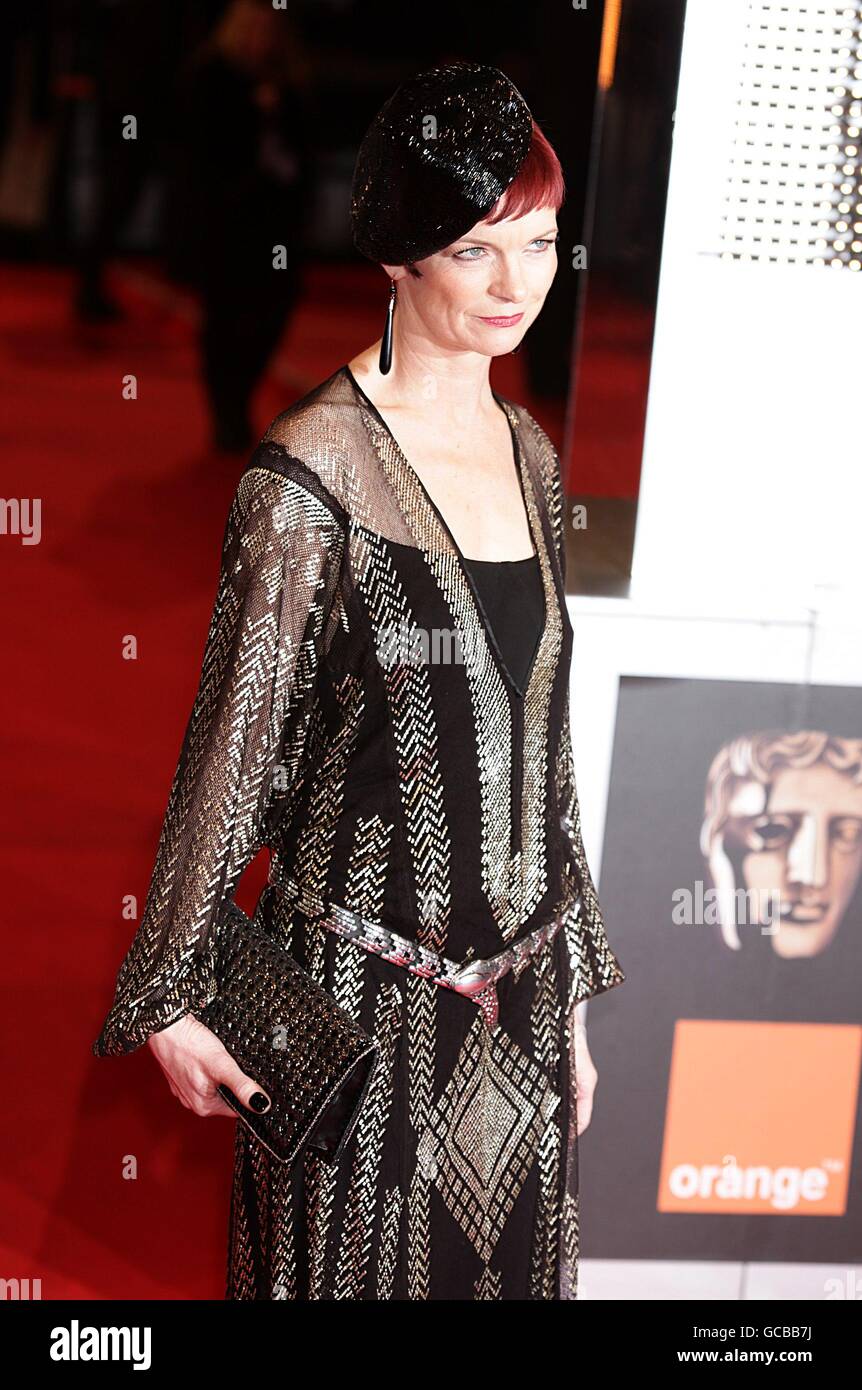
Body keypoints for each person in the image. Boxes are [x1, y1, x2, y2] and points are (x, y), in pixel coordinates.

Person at [92, 61, 625, 1301]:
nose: (516, 286)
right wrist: (168, 990)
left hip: (522, 1011)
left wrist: (576, 1004)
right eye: (476, 252)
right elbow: (232, 752)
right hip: (358, 1010)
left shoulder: (534, 457)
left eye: (541, 246)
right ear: (399, 256)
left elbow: (534, 750)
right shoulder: (306, 477)